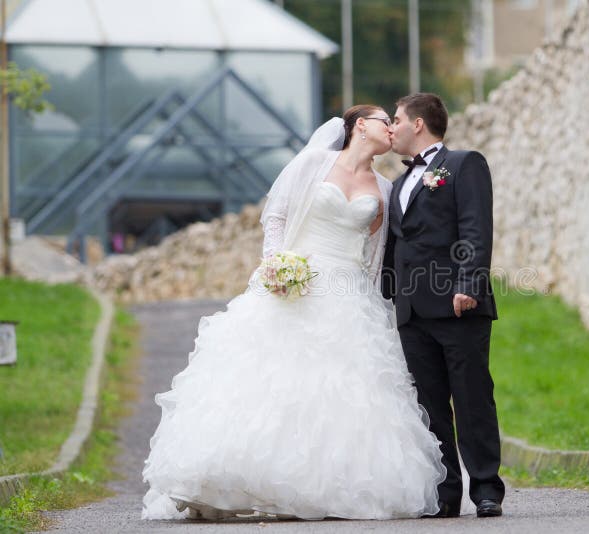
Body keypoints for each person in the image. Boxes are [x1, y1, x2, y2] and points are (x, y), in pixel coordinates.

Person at [141, 105, 447, 521]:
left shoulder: (383, 187)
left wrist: (373, 303)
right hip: (295, 281)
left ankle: (331, 488)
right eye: (384, 121)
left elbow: (375, 254)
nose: (392, 129)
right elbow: (277, 216)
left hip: (348, 292)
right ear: (360, 125)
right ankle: (236, 481)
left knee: (342, 391)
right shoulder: (312, 163)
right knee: (271, 383)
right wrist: (275, 265)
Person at [383, 93, 505, 518]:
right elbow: (396, 245)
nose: (391, 127)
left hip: (458, 304)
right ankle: (446, 493)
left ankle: (487, 489)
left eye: (396, 119)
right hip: (412, 312)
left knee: (472, 399)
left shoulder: (463, 164)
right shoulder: (398, 184)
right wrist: (388, 296)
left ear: (418, 124)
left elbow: (475, 226)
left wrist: (469, 282)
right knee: (430, 407)